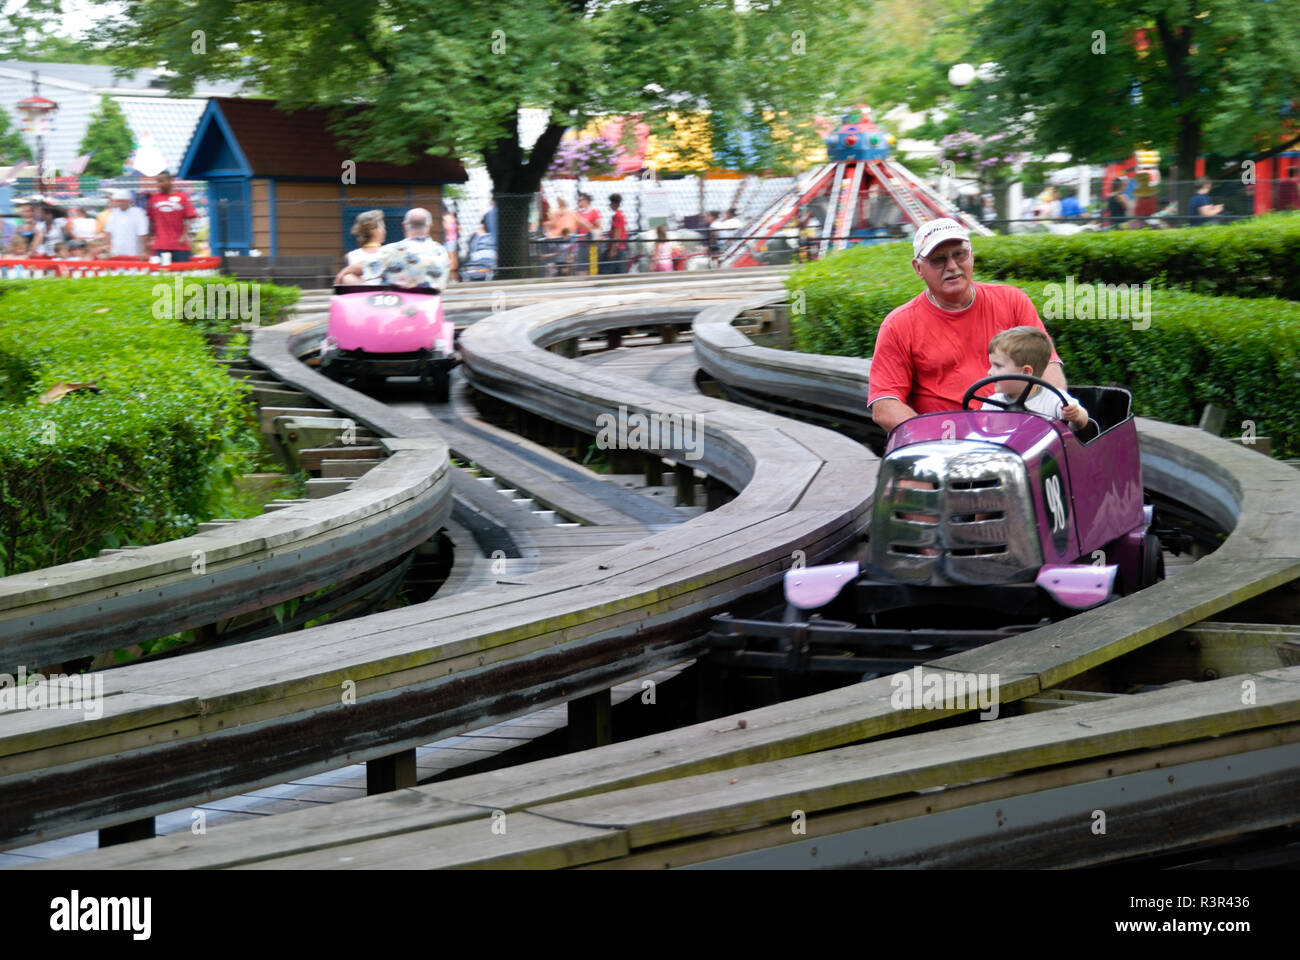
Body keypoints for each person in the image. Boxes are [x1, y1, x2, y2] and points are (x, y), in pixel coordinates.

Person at [867, 218, 1070, 433]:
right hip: (946, 444)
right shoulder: (899, 325)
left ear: (971, 255)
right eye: (938, 259)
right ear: (918, 268)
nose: (952, 266)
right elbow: (885, 406)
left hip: (1016, 434)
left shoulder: (1012, 301)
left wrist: (1043, 423)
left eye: (959, 254)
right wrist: (937, 438)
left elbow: (1048, 368)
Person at [983, 327, 1089, 431]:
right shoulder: (991, 404)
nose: (990, 372)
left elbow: (1081, 422)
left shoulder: (1053, 399)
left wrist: (1075, 416)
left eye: (998, 366)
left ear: (1026, 372)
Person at [335, 207, 449, 289]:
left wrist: (344, 271)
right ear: (430, 227)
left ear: (404, 227)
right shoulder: (441, 252)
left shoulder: (394, 250)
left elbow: (367, 266)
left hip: (400, 307)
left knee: (348, 278)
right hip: (430, 306)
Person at [147, 171, 198, 263]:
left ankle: (178, 278)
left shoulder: (182, 197)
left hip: (179, 244)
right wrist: (150, 238)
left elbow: (189, 217)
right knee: (163, 273)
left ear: (169, 181)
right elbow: (151, 220)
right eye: (157, 182)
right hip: (161, 244)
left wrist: (184, 235)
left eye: (161, 181)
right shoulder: (153, 200)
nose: (159, 185)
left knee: (179, 274)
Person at [340, 209, 386, 284]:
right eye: (383, 227)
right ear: (376, 230)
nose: (384, 231)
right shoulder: (388, 252)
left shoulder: (350, 256)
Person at [102, 189, 150, 258]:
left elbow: (143, 233)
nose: (118, 203)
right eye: (117, 201)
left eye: (120, 201)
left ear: (128, 201)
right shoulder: (114, 213)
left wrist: (144, 251)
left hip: (134, 252)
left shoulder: (138, 213)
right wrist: (107, 247)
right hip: (116, 252)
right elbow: (108, 232)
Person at [600, 192, 629, 274]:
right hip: (621, 248)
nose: (609, 205)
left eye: (610, 203)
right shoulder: (621, 215)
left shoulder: (617, 216)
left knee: (608, 271)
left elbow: (617, 233)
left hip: (617, 249)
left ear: (614, 203)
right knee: (619, 271)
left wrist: (613, 250)